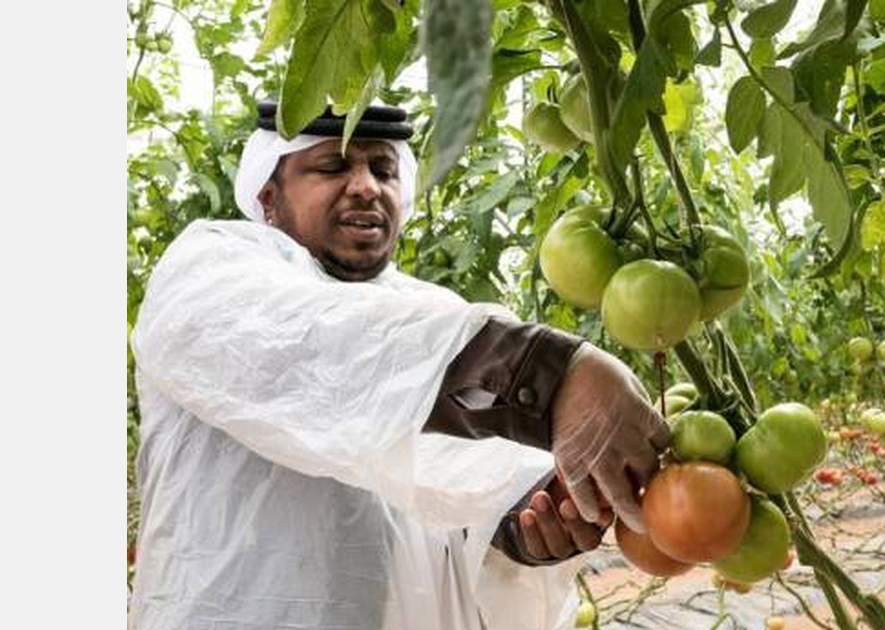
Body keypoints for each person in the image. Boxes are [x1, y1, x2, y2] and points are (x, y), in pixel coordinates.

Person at [128, 102, 670, 630]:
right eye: (333, 166)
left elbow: (461, 490)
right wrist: (550, 376)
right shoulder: (211, 268)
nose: (366, 185)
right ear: (269, 197)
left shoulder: (434, 318)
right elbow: (325, 349)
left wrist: (528, 526)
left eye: (383, 169)